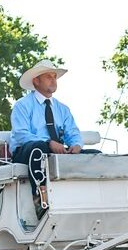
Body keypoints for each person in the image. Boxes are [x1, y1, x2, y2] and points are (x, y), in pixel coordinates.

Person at [9, 60, 99, 210]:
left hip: (56, 152)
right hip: (26, 152)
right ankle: (40, 200)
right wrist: (48, 142)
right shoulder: (22, 105)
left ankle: (92, 200)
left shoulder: (62, 109)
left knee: (96, 155)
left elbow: (73, 132)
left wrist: (76, 145)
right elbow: (21, 135)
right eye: (48, 76)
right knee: (38, 148)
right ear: (36, 81)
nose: (53, 80)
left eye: (54, 76)